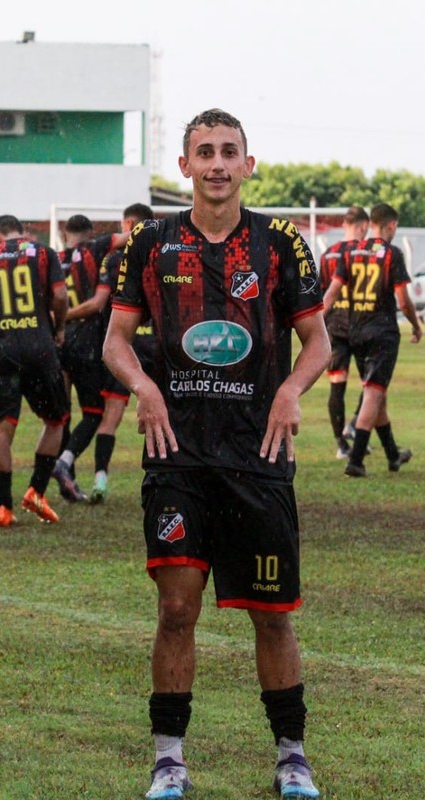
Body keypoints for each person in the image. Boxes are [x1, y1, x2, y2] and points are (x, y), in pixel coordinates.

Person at [103, 108, 329, 800]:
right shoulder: (148, 244)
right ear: (185, 167)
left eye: (230, 151)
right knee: (177, 609)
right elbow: (115, 341)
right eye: (205, 152)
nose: (218, 164)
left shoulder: (282, 242)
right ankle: (168, 758)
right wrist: (142, 387)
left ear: (249, 165)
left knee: (273, 613)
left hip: (257, 452)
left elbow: (319, 341)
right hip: (178, 453)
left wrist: (291, 389)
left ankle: (292, 755)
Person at [0, 215, 70, 526]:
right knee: (56, 420)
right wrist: (59, 328)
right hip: (40, 349)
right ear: (22, 231)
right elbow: (61, 296)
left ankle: (3, 508)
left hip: (4, 351)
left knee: (4, 428)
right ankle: (36, 490)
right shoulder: (44, 253)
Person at [322, 203, 422, 478]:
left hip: (355, 332)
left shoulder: (351, 252)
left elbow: (331, 292)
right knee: (374, 392)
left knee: (378, 394)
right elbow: (402, 299)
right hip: (382, 332)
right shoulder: (392, 254)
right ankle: (355, 460)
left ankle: (393, 454)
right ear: (390, 225)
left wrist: (319, 322)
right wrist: (416, 325)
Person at [73, 202, 156, 503]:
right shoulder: (164, 255)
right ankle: (164, 478)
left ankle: (100, 480)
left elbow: (105, 303)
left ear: (130, 224)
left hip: (126, 346)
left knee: (111, 418)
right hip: (157, 345)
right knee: (164, 413)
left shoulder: (115, 259)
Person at [50, 214, 128, 502]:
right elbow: (127, 237)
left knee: (62, 416)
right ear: (90, 232)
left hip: (55, 343)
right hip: (84, 342)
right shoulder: (95, 249)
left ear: (64, 232)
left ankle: (65, 481)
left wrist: (56, 322)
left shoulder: (53, 258)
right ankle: (64, 464)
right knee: (93, 413)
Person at [320, 206, 369, 459]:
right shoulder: (365, 253)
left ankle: (341, 444)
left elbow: (321, 293)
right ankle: (354, 424)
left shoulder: (328, 254)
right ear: (362, 227)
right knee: (372, 384)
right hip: (362, 326)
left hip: (335, 328)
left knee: (337, 386)